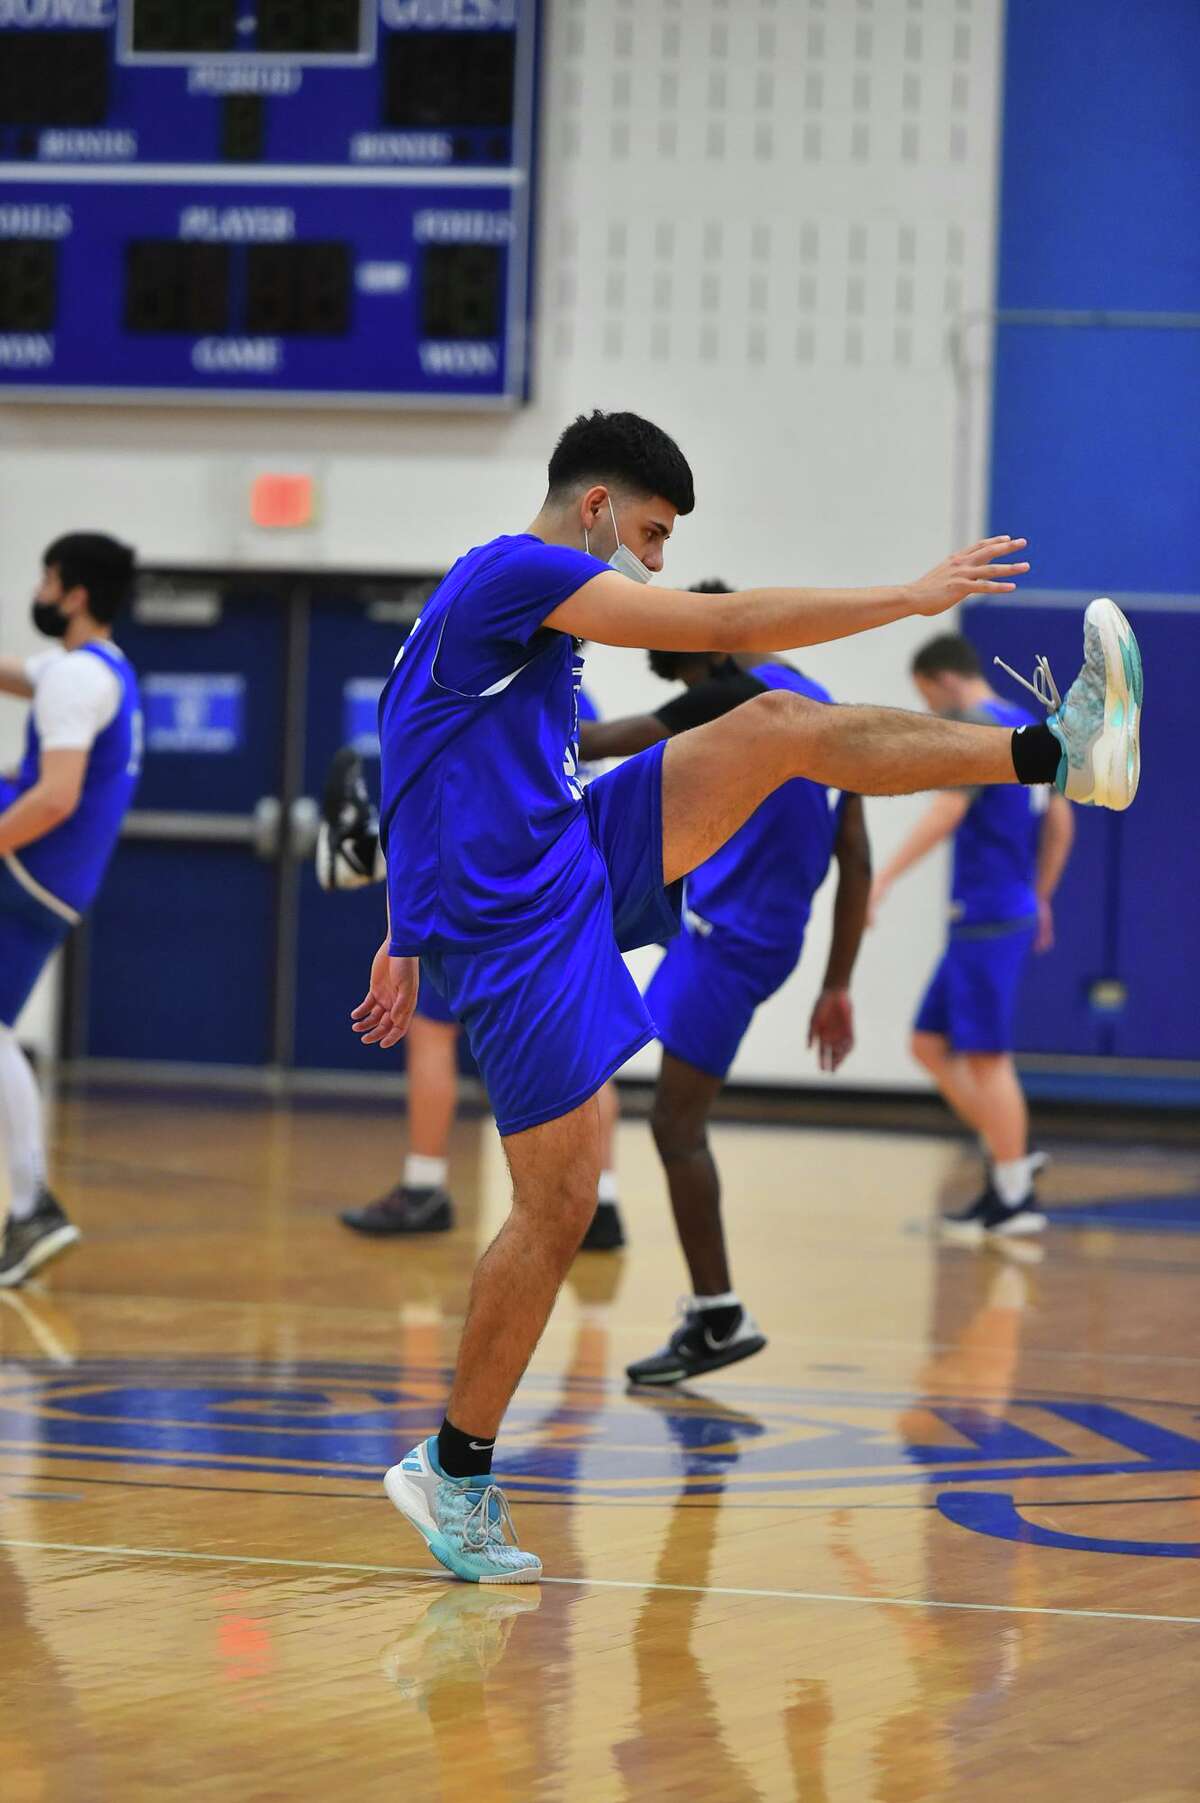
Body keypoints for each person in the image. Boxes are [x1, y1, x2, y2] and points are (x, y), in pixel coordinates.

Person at [353, 408, 1140, 1583]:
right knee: (559, 1204)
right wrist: (912, 597)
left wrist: (399, 929)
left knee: (768, 722)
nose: (657, 562)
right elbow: (725, 623)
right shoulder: (522, 571)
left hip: (562, 855)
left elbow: (414, 749)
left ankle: (1053, 751)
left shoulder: (490, 605)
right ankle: (454, 1469)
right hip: (517, 926)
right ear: (596, 512)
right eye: (652, 535)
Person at [570, 582, 872, 1385]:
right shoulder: (818, 701)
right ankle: (712, 1308)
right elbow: (858, 857)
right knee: (656, 1104)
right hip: (752, 938)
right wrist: (837, 979)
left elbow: (605, 738)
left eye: (690, 684)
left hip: (728, 945)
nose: (692, 702)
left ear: (713, 648)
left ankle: (718, 1313)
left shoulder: (740, 696)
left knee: (675, 1126)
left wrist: (505, 712)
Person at [317, 710, 626, 1251]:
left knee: (434, 1031)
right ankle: (602, 1202)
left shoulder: (485, 683)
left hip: (486, 897)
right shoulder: (580, 699)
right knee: (585, 1039)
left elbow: (457, 805)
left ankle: (424, 1186)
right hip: (570, 888)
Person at [869, 632, 1075, 1240]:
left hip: (987, 916)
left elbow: (946, 813)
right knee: (929, 1044)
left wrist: (883, 878)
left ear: (945, 682)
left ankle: (1013, 1195)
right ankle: (1010, 1148)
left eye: (927, 698)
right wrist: (1040, 894)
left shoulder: (978, 729)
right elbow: (1061, 817)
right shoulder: (1026, 724)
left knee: (986, 1058)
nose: (933, 712)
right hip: (994, 912)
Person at [0, 534, 141, 1287]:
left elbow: (54, 796)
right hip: (53, 878)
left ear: (74, 592)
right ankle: (31, 1207)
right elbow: (19, 673)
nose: (41, 590)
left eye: (48, 578)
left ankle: (32, 1204)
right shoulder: (94, 668)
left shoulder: (77, 682)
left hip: (27, 867)